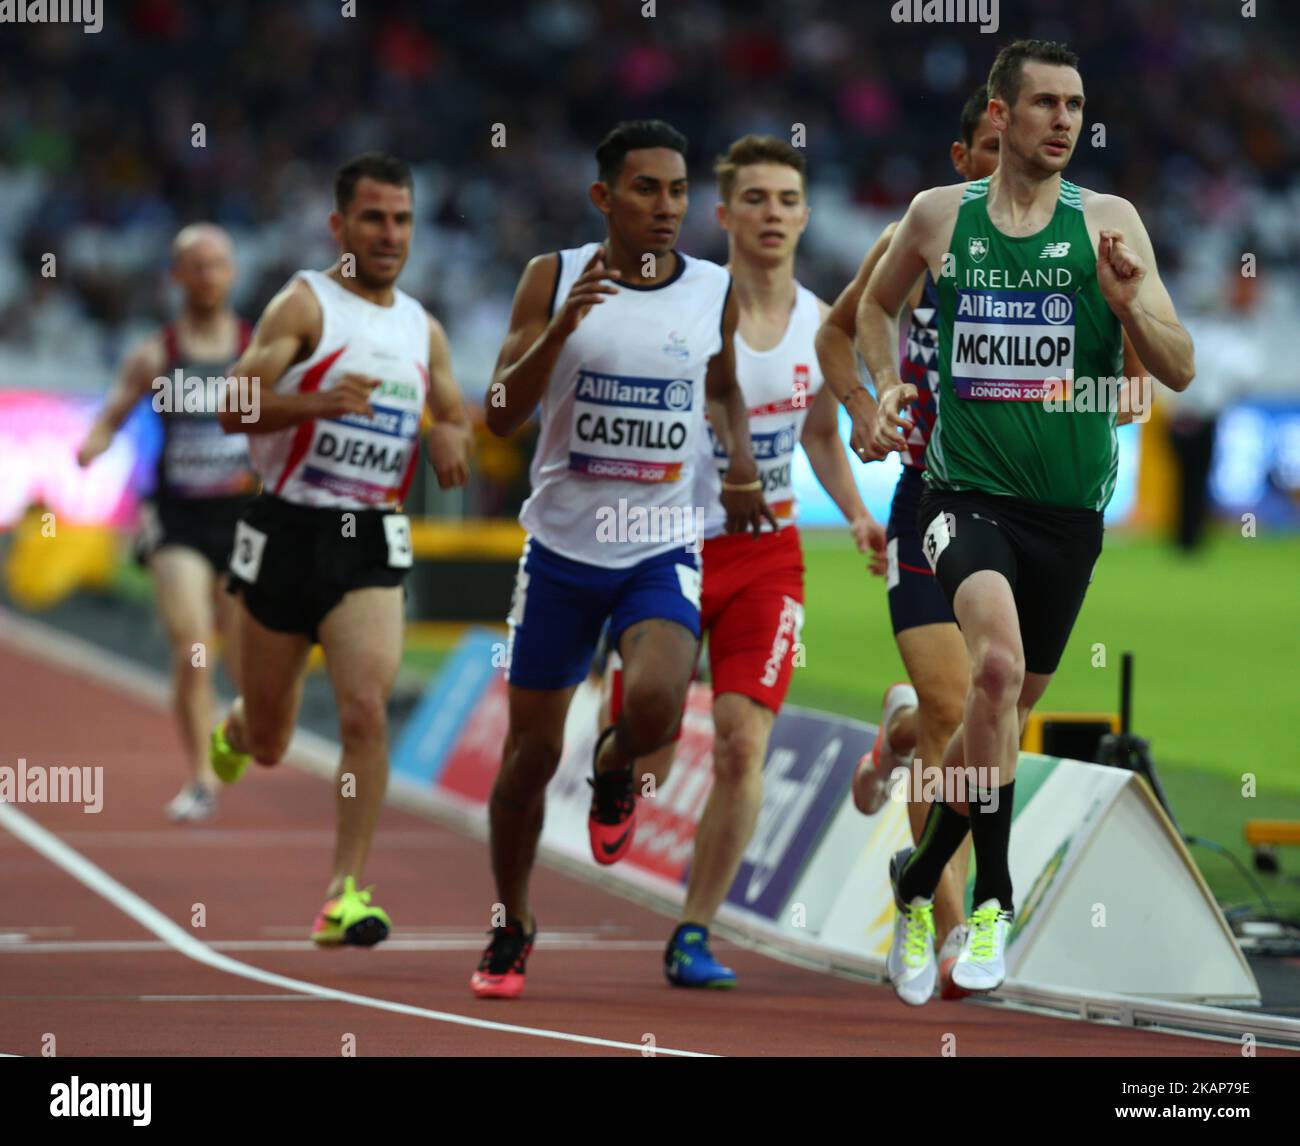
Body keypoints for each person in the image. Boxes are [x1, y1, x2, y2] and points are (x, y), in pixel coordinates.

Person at [857, 40, 1193, 1006]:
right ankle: (994, 900)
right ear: (999, 115)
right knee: (993, 671)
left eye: (1076, 104)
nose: (1064, 120)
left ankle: (918, 881)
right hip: (962, 497)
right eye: (1044, 102)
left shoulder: (1112, 223)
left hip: (1068, 517)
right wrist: (883, 390)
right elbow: (874, 310)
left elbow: (1179, 365)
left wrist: (1130, 308)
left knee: (999, 717)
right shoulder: (936, 216)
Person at [473, 119, 771, 999]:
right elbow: (495, 411)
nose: (667, 207)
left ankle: (612, 770)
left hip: (660, 543)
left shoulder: (713, 288)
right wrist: (557, 333)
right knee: (528, 759)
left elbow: (720, 390)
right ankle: (514, 924)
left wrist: (743, 469)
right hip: (562, 548)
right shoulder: (553, 277)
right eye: (647, 189)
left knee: (655, 706)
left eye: (678, 191)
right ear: (604, 197)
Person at [602, 134, 886, 987]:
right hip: (673, 543)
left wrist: (861, 517)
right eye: (755, 199)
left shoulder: (820, 319)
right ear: (722, 214)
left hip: (770, 558)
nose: (773, 214)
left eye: (788, 200)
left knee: (738, 745)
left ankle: (694, 930)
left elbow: (820, 435)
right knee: (651, 734)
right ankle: (618, 758)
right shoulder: (681, 303)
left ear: (805, 215)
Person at [206, 153, 472, 947]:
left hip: (368, 536)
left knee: (364, 712)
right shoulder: (304, 305)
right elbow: (231, 405)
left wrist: (451, 435)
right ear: (340, 225)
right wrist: (316, 400)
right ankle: (239, 726)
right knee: (271, 742)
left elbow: (452, 407)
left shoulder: (422, 327)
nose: (390, 234)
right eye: (373, 218)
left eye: (402, 219)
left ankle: (343, 893)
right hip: (285, 528)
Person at [815, 87, 1000, 999]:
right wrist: (864, 405)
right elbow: (835, 331)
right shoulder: (922, 237)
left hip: (1028, 514)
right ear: (962, 159)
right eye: (991, 149)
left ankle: (892, 740)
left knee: (970, 723)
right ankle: (944, 921)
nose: (1012, 164)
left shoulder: (1072, 242)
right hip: (929, 499)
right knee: (950, 707)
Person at [77, 224, 255, 823]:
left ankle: (233, 727)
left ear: (232, 273)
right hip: (177, 516)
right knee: (195, 647)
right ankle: (202, 777)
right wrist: (93, 444)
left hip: (239, 516)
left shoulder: (257, 350)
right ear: (177, 275)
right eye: (196, 265)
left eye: (218, 264)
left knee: (246, 656)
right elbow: (112, 413)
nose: (208, 275)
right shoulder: (157, 354)